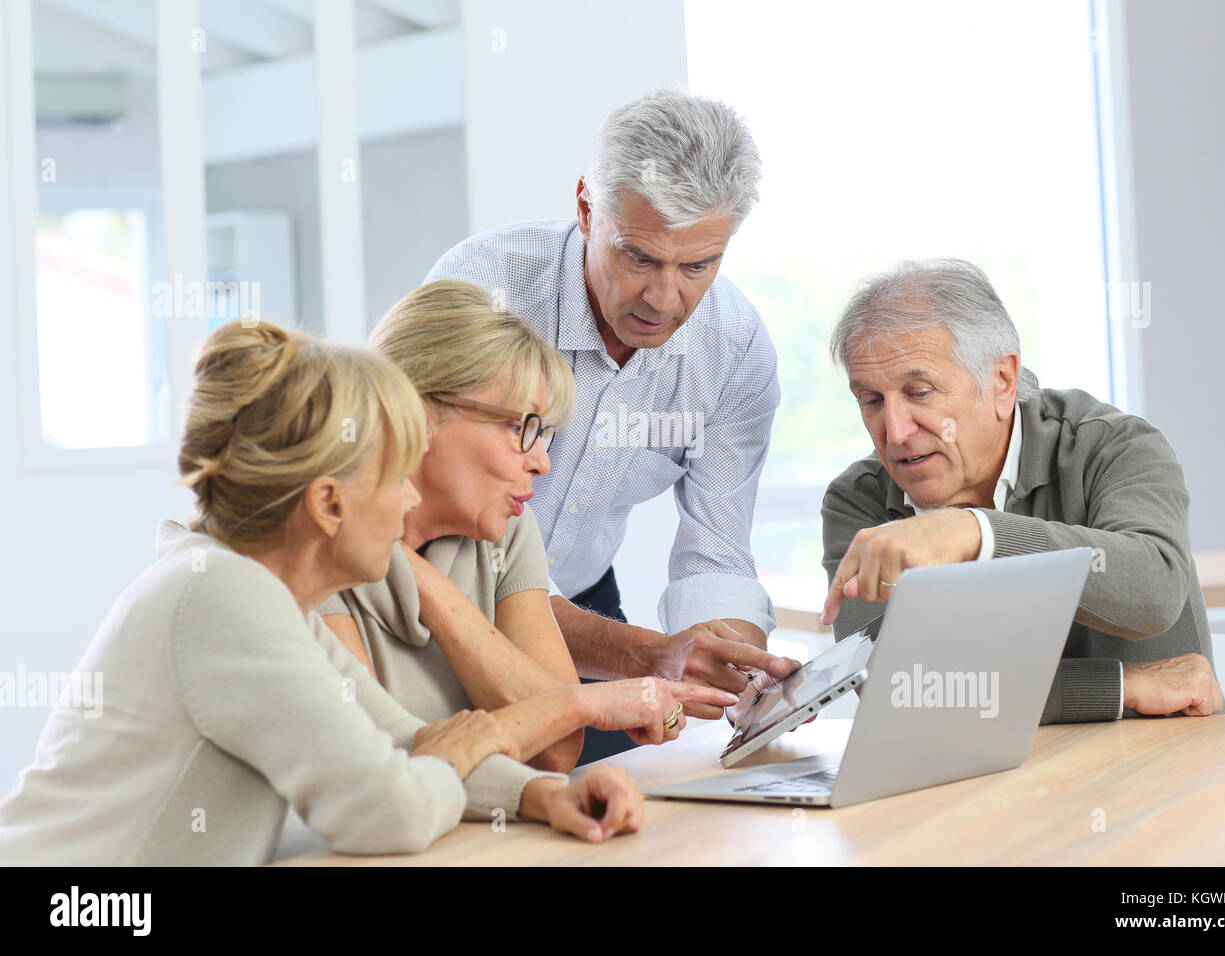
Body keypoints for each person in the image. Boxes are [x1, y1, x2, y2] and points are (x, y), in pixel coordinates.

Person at [0, 321, 641, 866]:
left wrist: (539, 797)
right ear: (329, 504)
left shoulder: (263, 595)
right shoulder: (225, 598)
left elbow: (395, 741)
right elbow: (390, 809)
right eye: (396, 479)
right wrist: (456, 755)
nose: (411, 499)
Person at [425, 88, 798, 760]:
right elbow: (446, 543)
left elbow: (716, 547)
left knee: (612, 804)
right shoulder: (485, 292)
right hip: (443, 592)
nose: (664, 298)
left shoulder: (735, 349)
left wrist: (728, 664)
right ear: (585, 209)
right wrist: (647, 655)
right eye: (639, 258)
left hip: (585, 602)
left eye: (697, 266)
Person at [318, 280, 740, 773]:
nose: (541, 461)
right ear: (419, 413)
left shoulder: (508, 533)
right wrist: (571, 710)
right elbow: (378, 767)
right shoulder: (315, 549)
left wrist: (421, 578)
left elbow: (558, 750)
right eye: (522, 427)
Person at [820, 259, 1224, 723]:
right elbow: (900, 690)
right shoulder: (859, 501)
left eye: (920, 392)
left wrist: (977, 533)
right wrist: (1120, 687)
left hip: (1163, 767)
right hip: (984, 779)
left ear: (1002, 381)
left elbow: (1154, 592)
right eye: (871, 400)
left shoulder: (1113, 446)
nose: (894, 430)